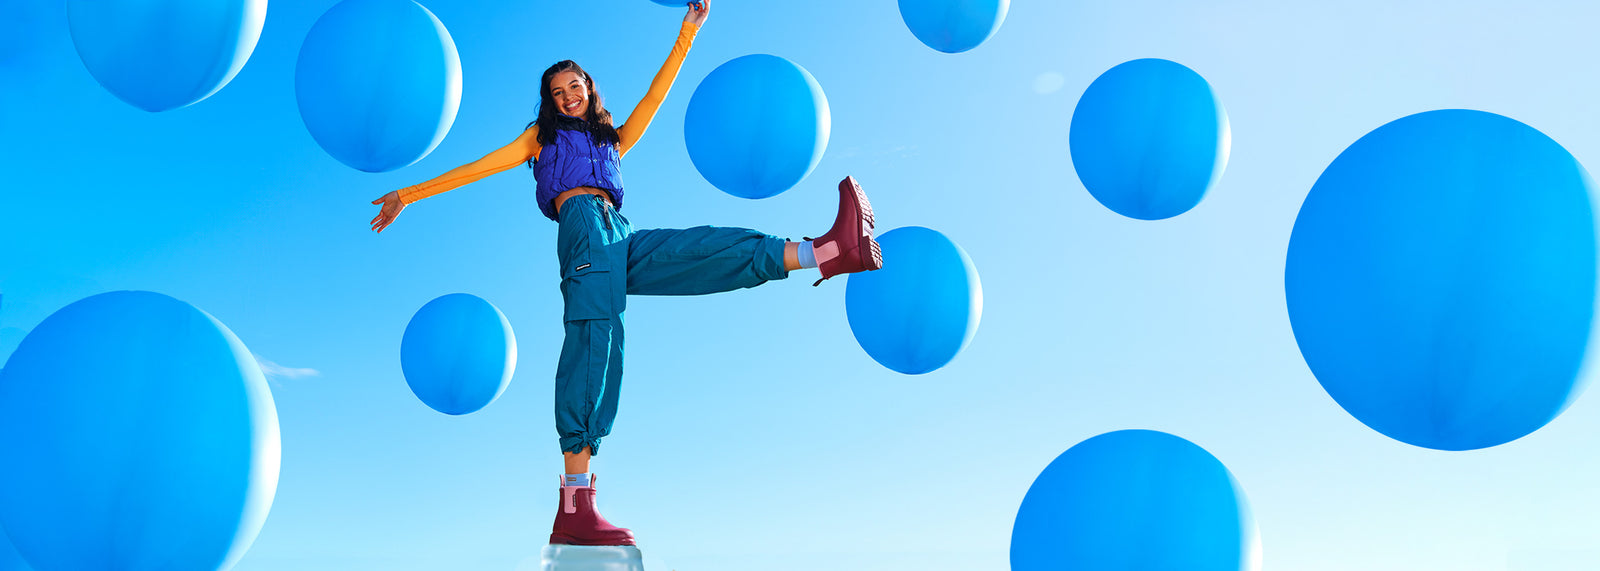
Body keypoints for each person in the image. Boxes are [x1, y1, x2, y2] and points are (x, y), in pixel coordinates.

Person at [368, 0, 881, 547]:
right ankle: (574, 506)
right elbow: (480, 165)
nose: (568, 96)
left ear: (589, 89)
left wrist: (687, 32)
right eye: (558, 91)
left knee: (697, 250)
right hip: (582, 228)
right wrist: (408, 193)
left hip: (616, 231)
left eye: (575, 87)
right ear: (549, 101)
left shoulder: (611, 139)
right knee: (595, 339)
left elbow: (655, 95)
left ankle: (825, 253)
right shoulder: (539, 140)